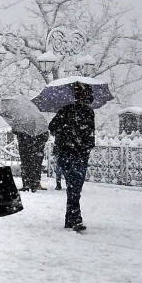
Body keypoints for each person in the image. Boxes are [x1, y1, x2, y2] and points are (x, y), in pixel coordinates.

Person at [48, 81, 96, 231]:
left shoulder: (67, 110)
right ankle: (75, 217)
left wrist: (65, 130)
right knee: (75, 186)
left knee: (73, 186)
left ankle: (70, 217)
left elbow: (52, 127)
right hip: (76, 153)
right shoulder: (78, 111)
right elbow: (90, 134)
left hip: (69, 152)